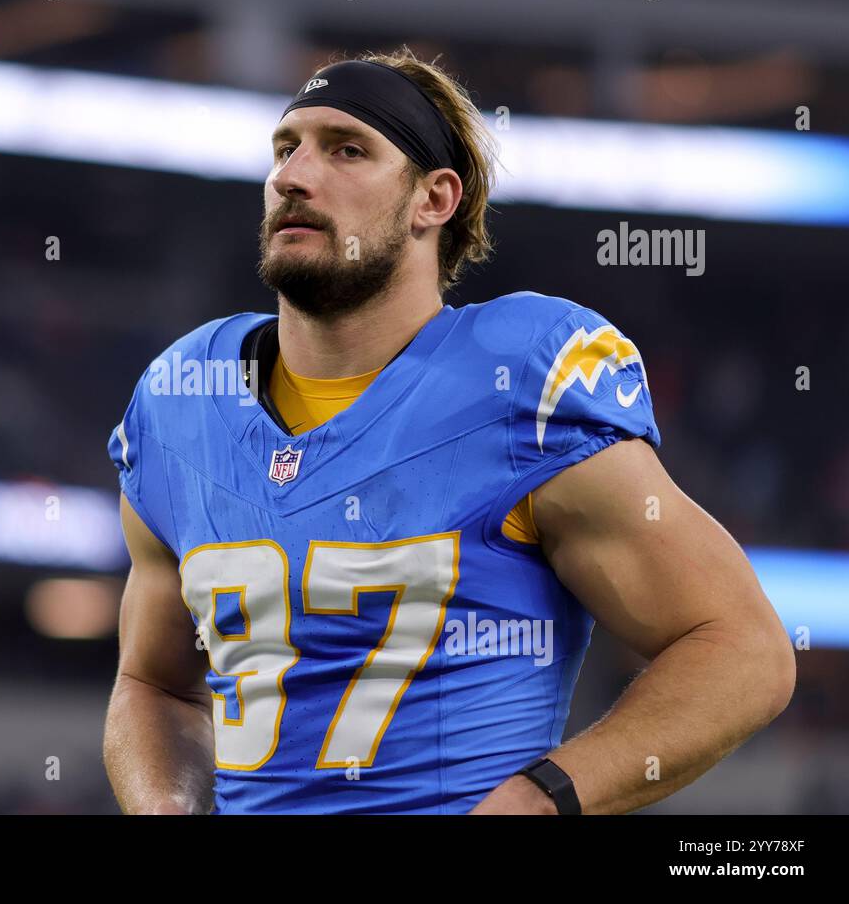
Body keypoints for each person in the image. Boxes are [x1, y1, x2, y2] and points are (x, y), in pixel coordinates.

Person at [102, 50, 794, 814]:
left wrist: (542, 799)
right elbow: (154, 685)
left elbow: (743, 648)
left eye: (347, 149)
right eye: (286, 147)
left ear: (433, 198)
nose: (293, 175)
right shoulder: (180, 400)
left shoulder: (521, 381)